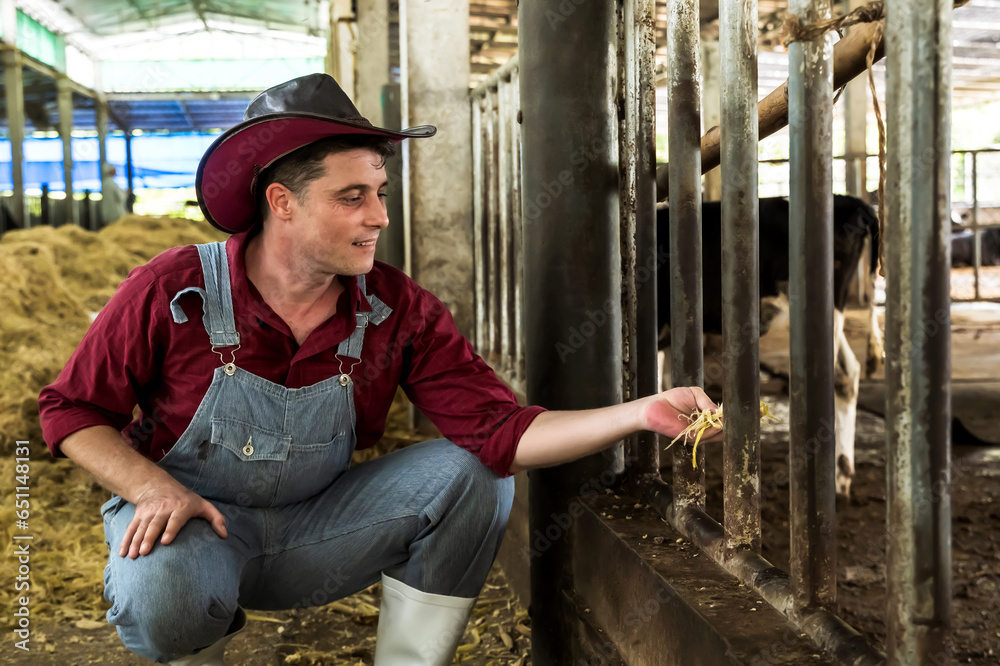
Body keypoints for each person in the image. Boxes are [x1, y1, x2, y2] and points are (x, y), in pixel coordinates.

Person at [38, 73, 720, 666]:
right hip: (194, 528)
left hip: (319, 528)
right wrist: (151, 489)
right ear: (282, 202)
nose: (380, 217)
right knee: (167, 591)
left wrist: (639, 413)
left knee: (474, 474)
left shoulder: (396, 309)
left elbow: (501, 433)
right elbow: (71, 409)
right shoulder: (175, 288)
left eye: (381, 193)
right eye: (352, 197)